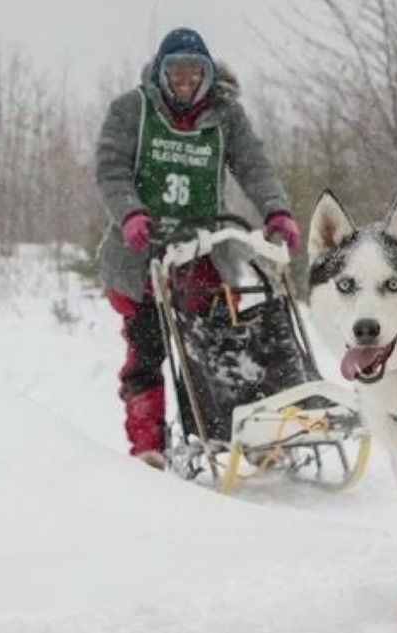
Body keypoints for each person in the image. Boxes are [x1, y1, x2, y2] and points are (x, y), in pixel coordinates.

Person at [94, 27, 300, 468]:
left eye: (194, 73)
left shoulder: (226, 115)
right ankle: (148, 446)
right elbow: (110, 170)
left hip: (204, 254)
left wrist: (276, 211)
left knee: (222, 343)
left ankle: (239, 429)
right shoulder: (132, 110)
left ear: (208, 75)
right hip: (142, 257)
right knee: (147, 349)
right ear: (161, 75)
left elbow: (254, 166)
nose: (185, 82)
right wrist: (130, 212)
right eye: (176, 73)